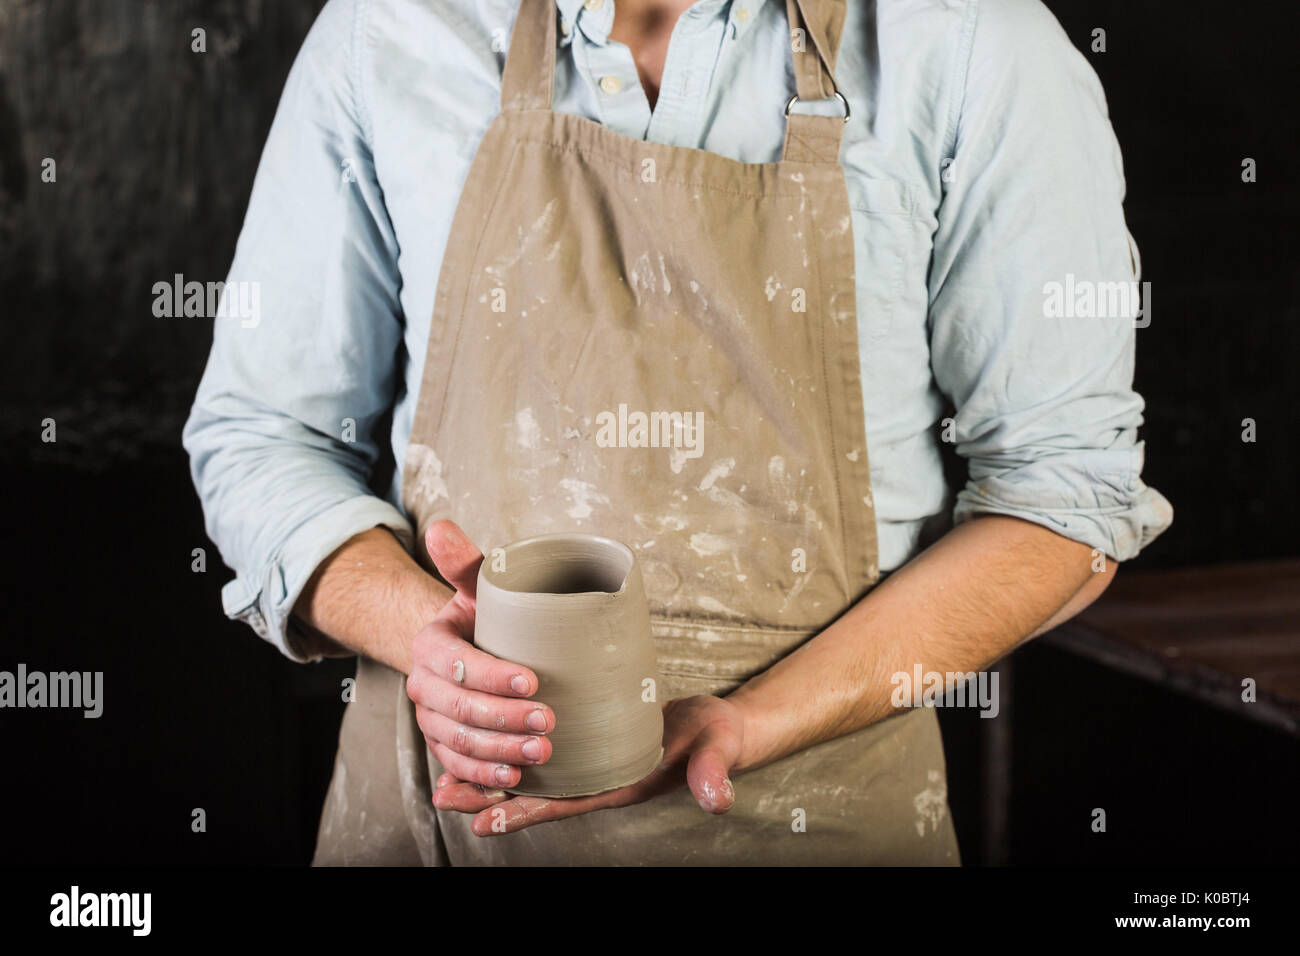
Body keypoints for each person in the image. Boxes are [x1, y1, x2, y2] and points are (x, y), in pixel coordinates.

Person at [183, 0, 1172, 865]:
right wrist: (426, 637)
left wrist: (749, 719)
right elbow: (262, 432)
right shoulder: (390, 29)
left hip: (814, 830)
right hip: (433, 827)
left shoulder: (970, 43)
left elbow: (1060, 498)